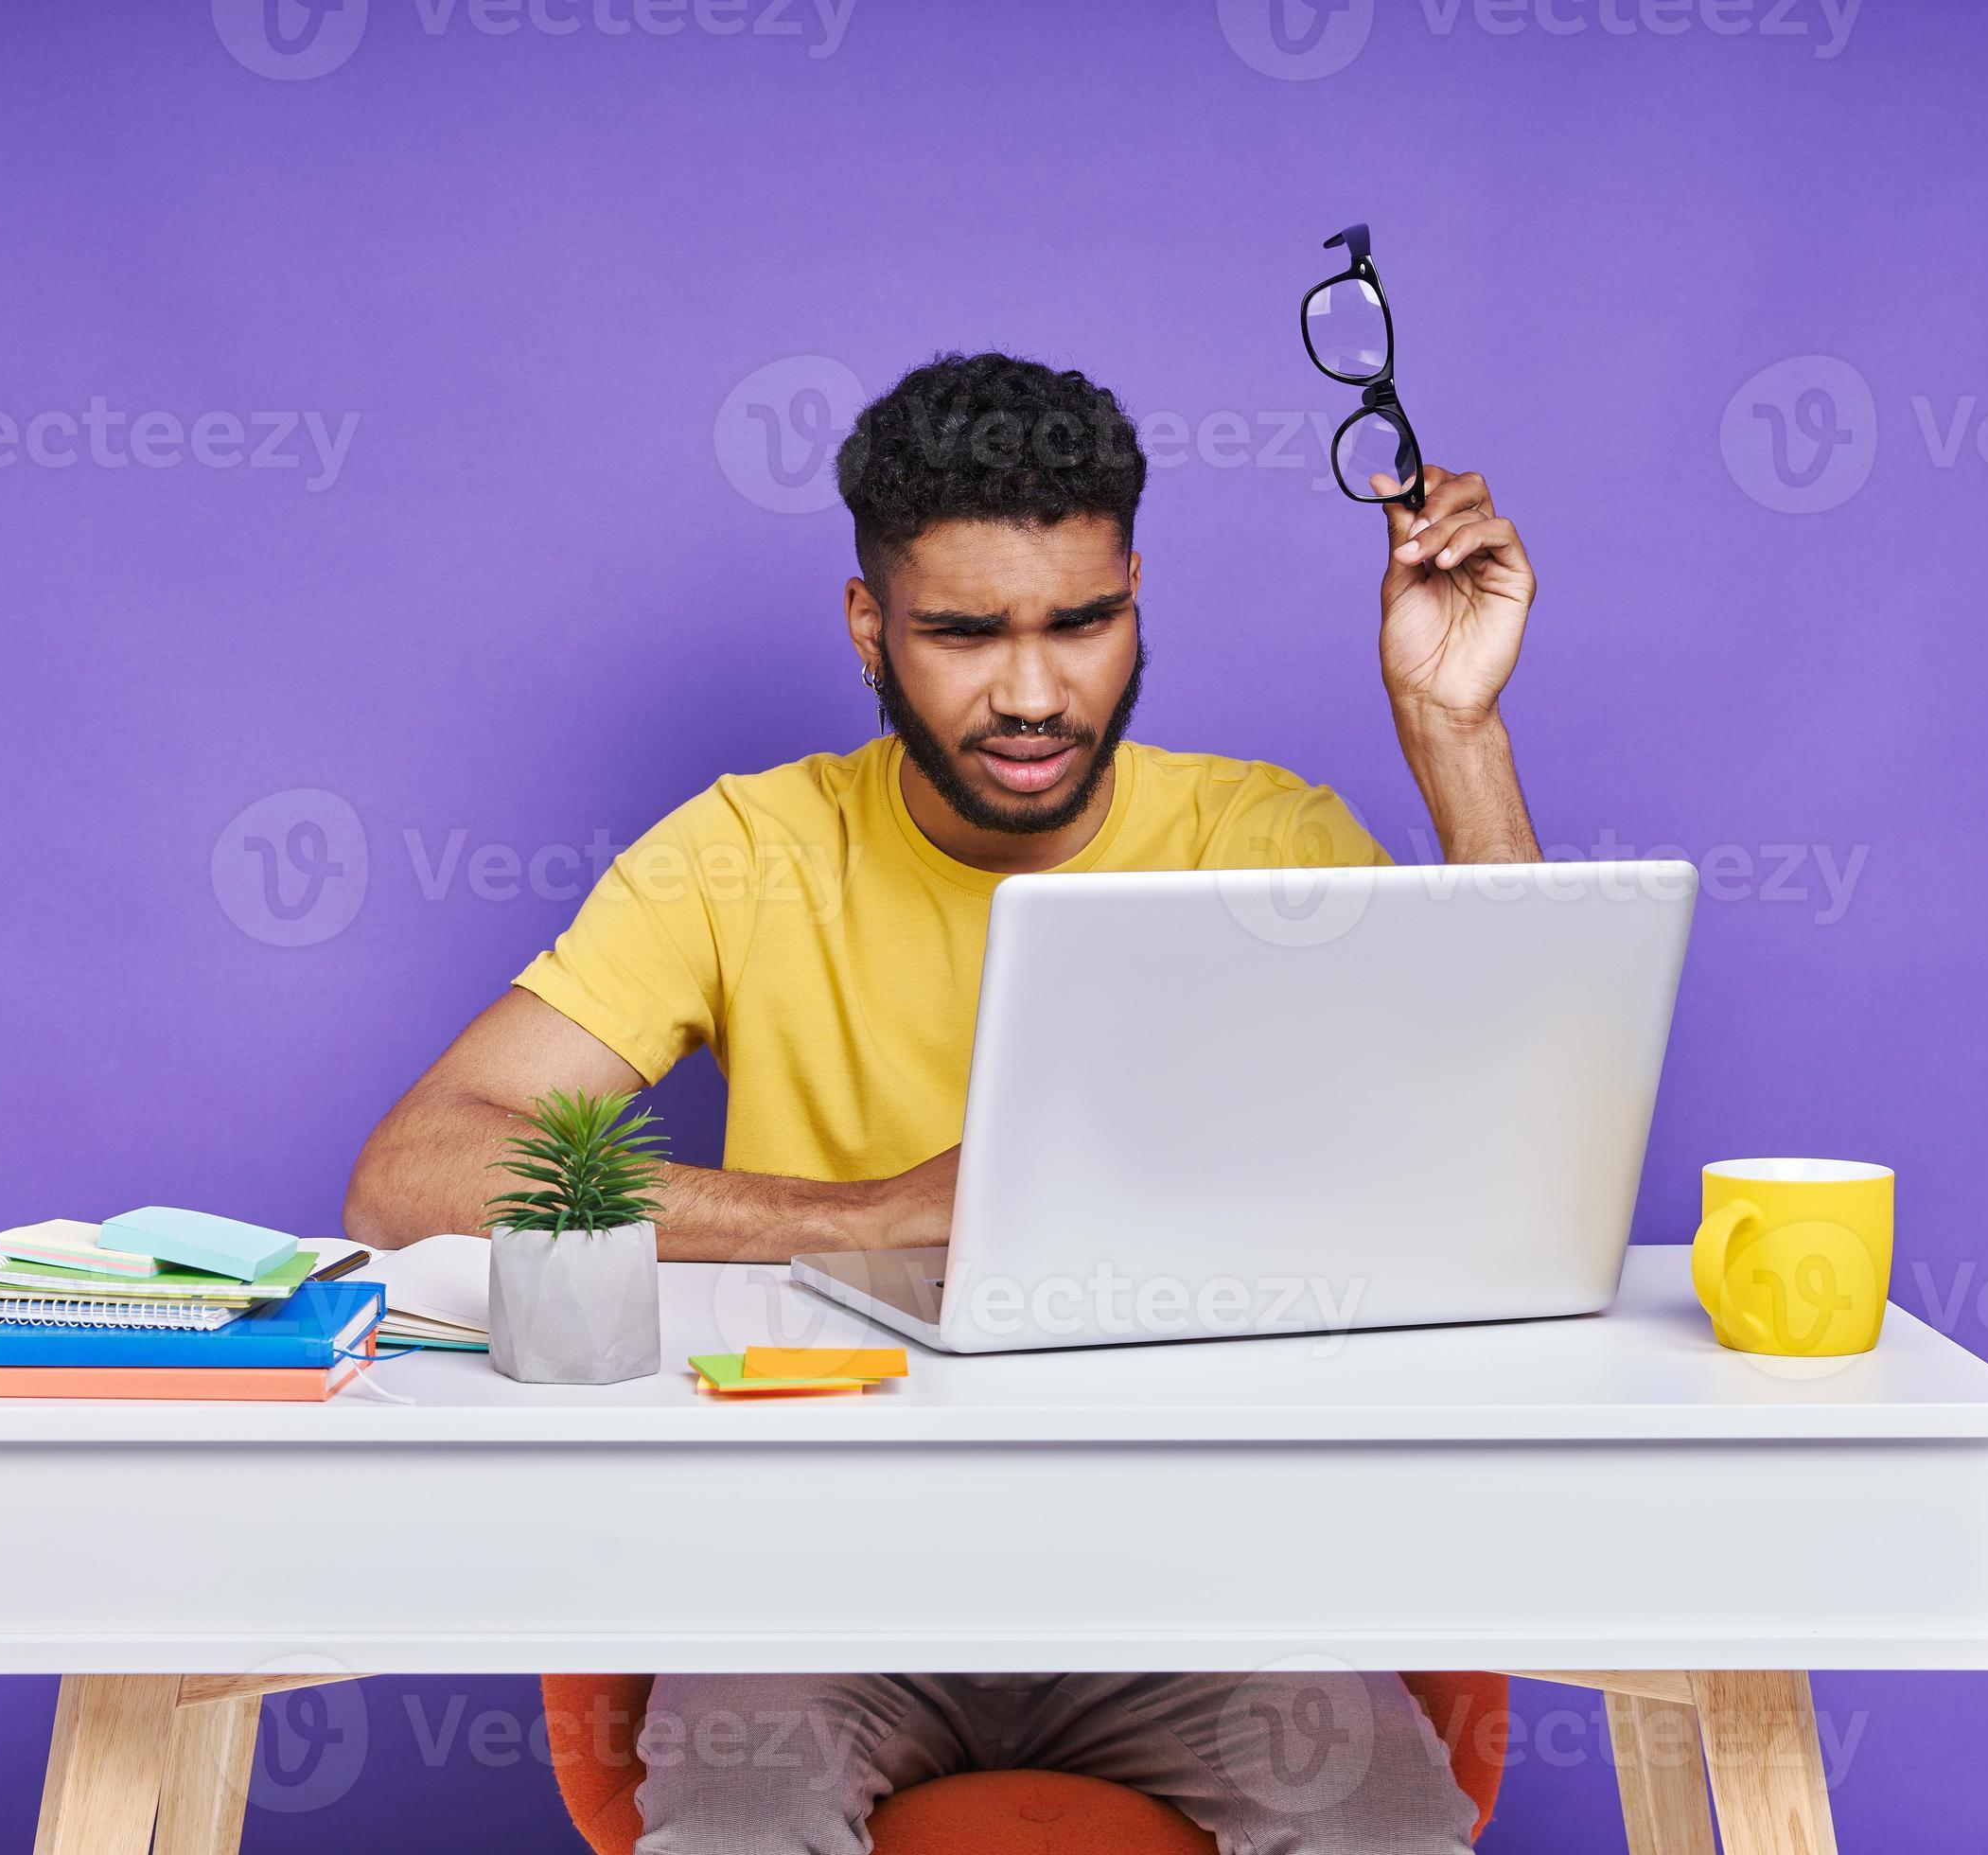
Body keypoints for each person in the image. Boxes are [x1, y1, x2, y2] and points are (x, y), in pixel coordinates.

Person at [344, 351, 1541, 1852]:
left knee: (1381, 1820)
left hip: (1189, 1590)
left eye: (1083, 624)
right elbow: (416, 1168)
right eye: (966, 633)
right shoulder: (748, 850)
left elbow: (1517, 1159)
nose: (1032, 694)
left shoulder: (1264, 840)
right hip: (816, 1588)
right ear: (870, 626)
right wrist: (870, 1217)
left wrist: (1455, 736)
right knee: (733, 1822)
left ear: (1135, 597)